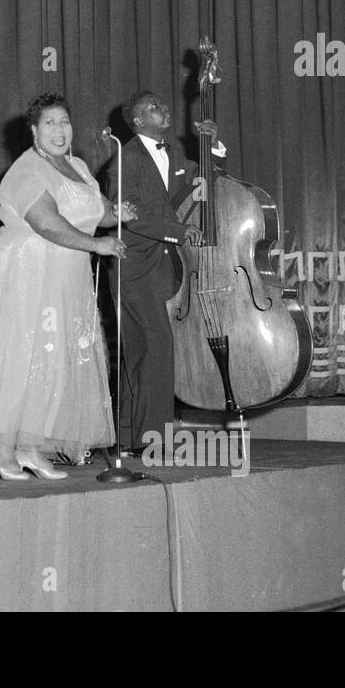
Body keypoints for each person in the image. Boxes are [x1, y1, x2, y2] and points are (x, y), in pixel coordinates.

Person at [0, 94, 130, 480]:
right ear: (33, 131)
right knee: (21, 359)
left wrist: (116, 214)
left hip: (65, 275)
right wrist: (97, 243)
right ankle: (0, 449)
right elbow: (47, 222)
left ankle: (29, 445)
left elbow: (94, 213)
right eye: (50, 123)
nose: (60, 130)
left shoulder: (77, 166)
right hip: (25, 274)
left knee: (55, 361)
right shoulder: (26, 170)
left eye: (65, 122)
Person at [104, 91, 222, 457]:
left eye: (164, 104)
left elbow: (204, 184)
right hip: (133, 266)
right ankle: (154, 438)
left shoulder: (173, 156)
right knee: (157, 345)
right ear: (137, 120)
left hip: (165, 266)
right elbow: (129, 214)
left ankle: (126, 435)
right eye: (154, 107)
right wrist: (177, 231)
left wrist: (211, 146)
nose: (165, 108)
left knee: (139, 351)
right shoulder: (125, 159)